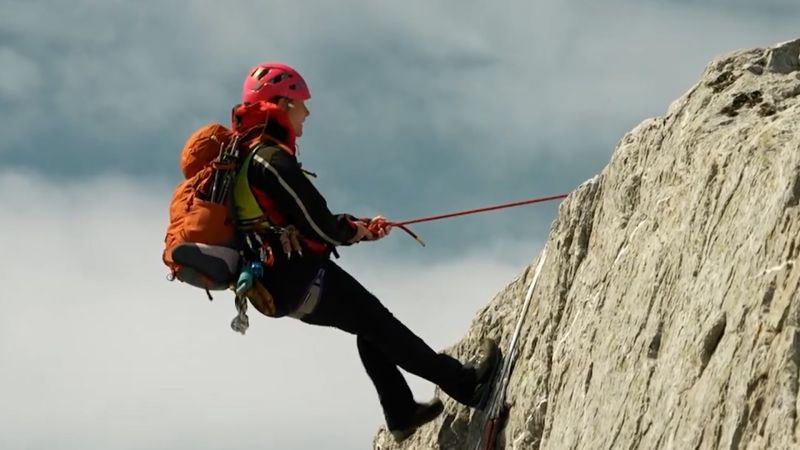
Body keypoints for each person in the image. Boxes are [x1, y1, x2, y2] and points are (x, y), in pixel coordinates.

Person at [232, 62, 500, 442]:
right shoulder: (270, 161)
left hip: (280, 286)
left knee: (370, 328)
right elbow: (319, 223)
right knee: (379, 323)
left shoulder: (248, 159)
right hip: (299, 279)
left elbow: (302, 219)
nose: (306, 112)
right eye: (299, 103)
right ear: (280, 103)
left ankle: (401, 412)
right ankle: (464, 383)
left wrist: (358, 228)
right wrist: (351, 230)